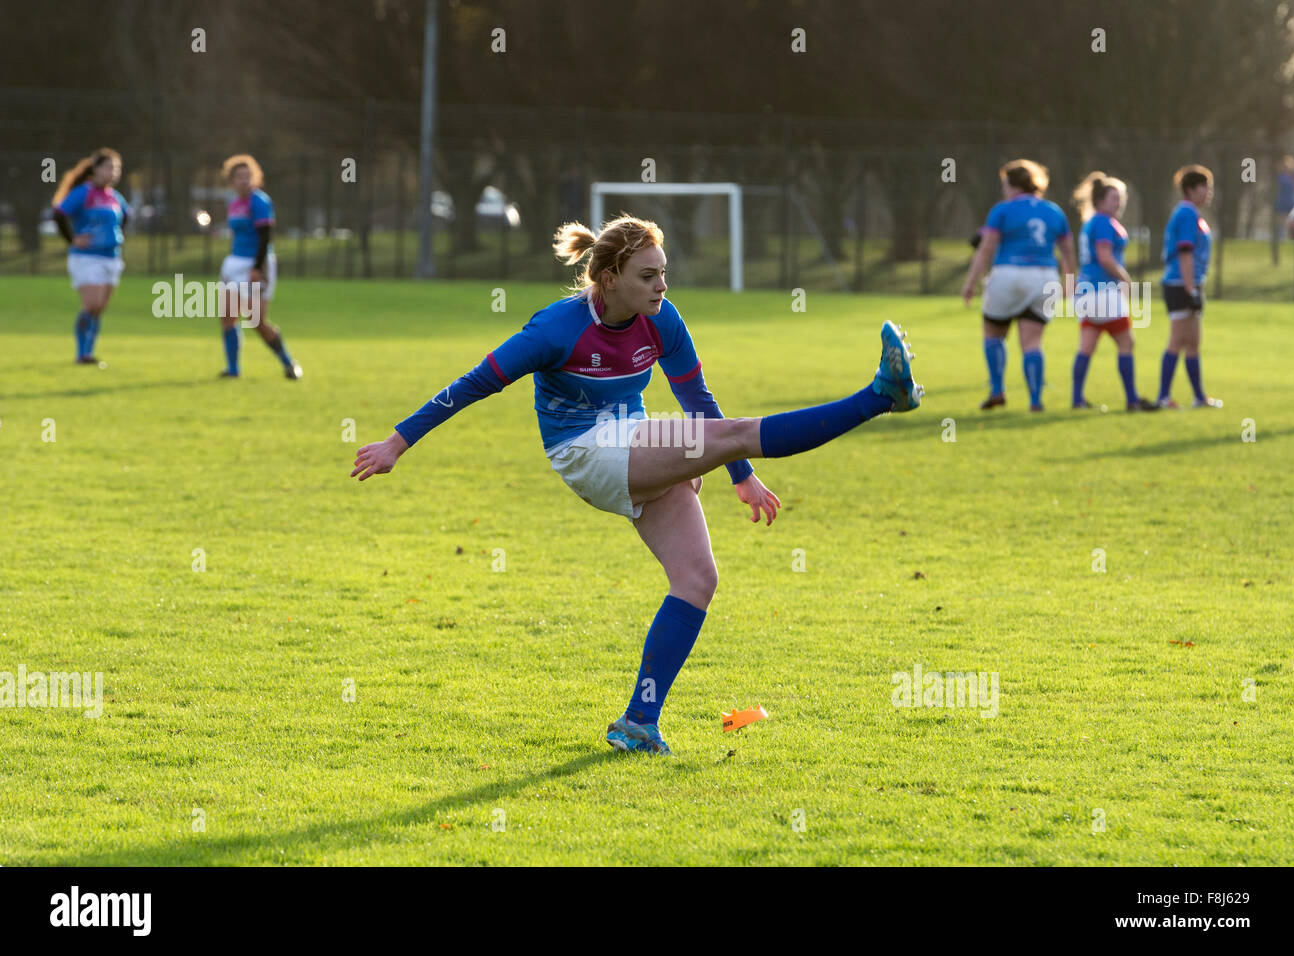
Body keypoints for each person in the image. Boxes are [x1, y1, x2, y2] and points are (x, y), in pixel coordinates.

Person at [350, 216, 923, 755]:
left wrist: (741, 479)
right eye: (648, 276)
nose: (661, 286)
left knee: (697, 580)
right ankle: (878, 397)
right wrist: (398, 443)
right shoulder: (554, 328)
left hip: (634, 435)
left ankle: (638, 722)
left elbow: (696, 401)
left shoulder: (662, 318)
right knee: (741, 433)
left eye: (664, 273)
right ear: (608, 279)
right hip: (583, 451)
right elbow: (473, 383)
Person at [962, 159, 1076, 412]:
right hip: (1045, 277)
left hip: (1009, 274)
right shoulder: (1054, 211)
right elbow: (1068, 253)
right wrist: (1070, 284)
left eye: (1005, 184)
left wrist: (971, 282)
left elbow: (986, 248)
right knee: (1032, 342)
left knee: (993, 334)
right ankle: (1035, 401)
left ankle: (997, 391)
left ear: (1012, 185)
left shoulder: (1002, 210)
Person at [1069, 171, 1157, 411]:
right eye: (1113, 198)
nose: (1119, 203)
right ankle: (1131, 400)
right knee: (1126, 342)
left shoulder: (1093, 222)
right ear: (1098, 201)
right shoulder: (1103, 222)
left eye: (1120, 198)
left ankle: (1077, 399)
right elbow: (1105, 258)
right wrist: (1125, 278)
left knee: (1086, 346)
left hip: (1086, 292)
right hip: (1102, 292)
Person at [217, 154, 301, 379]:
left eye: (248, 176)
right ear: (231, 180)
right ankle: (233, 369)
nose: (244, 180)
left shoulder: (260, 201)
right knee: (226, 316)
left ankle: (288, 362)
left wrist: (256, 268)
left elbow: (265, 237)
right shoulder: (234, 203)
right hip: (234, 262)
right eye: (239, 177)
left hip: (258, 263)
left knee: (256, 321)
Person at [51, 148, 130, 367]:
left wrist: (118, 236)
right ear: (95, 169)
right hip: (86, 257)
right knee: (91, 303)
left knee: (99, 308)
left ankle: (89, 352)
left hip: (112, 258)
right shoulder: (84, 193)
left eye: (116, 168)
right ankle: (81, 353)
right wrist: (72, 239)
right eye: (108, 167)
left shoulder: (114, 196)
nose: (113, 172)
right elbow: (58, 214)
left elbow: (126, 216)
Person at [1156, 165, 1221, 409]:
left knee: (1193, 341)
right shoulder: (1186, 214)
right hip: (1180, 284)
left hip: (1190, 283)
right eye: (1207, 187)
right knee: (1177, 339)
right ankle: (1163, 397)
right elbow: (1184, 253)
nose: (1209, 192)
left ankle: (1199, 398)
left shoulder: (1193, 213)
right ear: (1192, 189)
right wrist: (1190, 289)